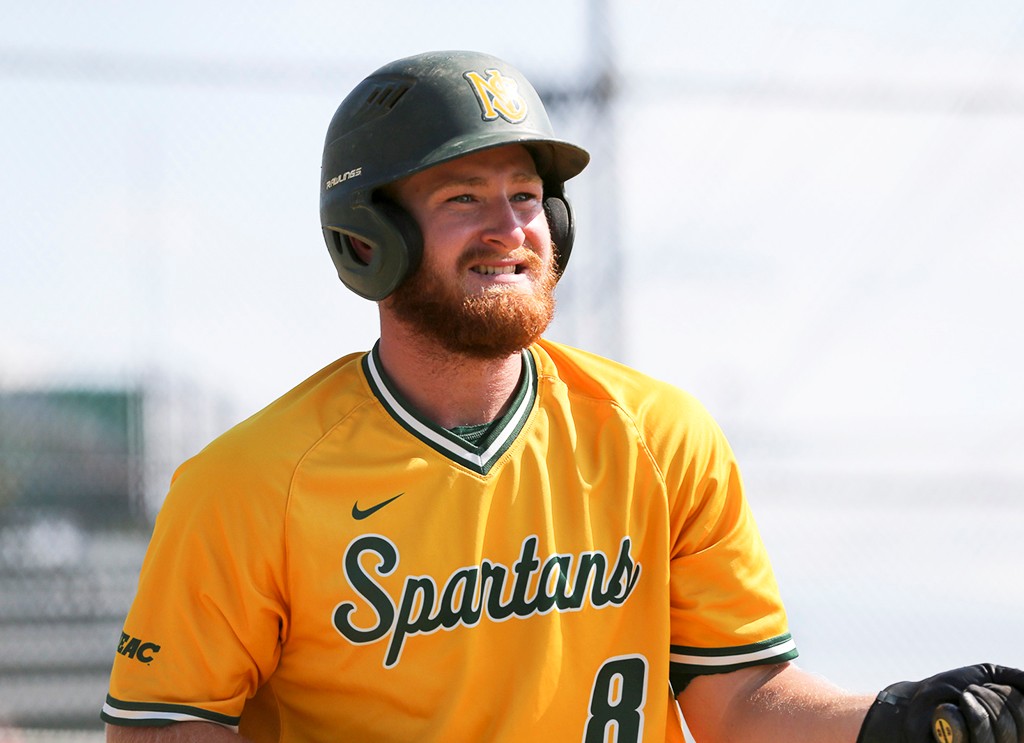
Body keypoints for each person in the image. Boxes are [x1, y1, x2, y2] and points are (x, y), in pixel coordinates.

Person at [102, 50, 1024, 743]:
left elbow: (740, 700)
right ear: (366, 239)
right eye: (464, 194)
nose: (512, 227)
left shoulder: (660, 435)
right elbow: (160, 727)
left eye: (529, 194)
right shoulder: (249, 484)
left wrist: (907, 719)